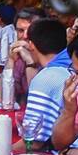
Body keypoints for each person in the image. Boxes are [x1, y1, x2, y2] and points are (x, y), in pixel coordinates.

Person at [14, 18, 71, 146]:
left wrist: (1, 153)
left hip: (64, 154)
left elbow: (33, 141)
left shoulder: (46, 78)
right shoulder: (75, 65)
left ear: (31, 45)